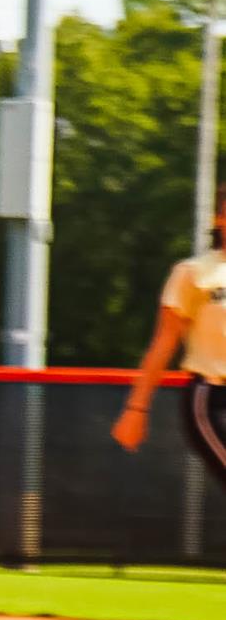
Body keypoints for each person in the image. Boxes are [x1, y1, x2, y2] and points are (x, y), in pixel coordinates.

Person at [111, 189, 226, 470]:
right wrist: (136, 409)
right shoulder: (194, 272)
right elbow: (164, 341)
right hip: (213, 397)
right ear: (219, 219)